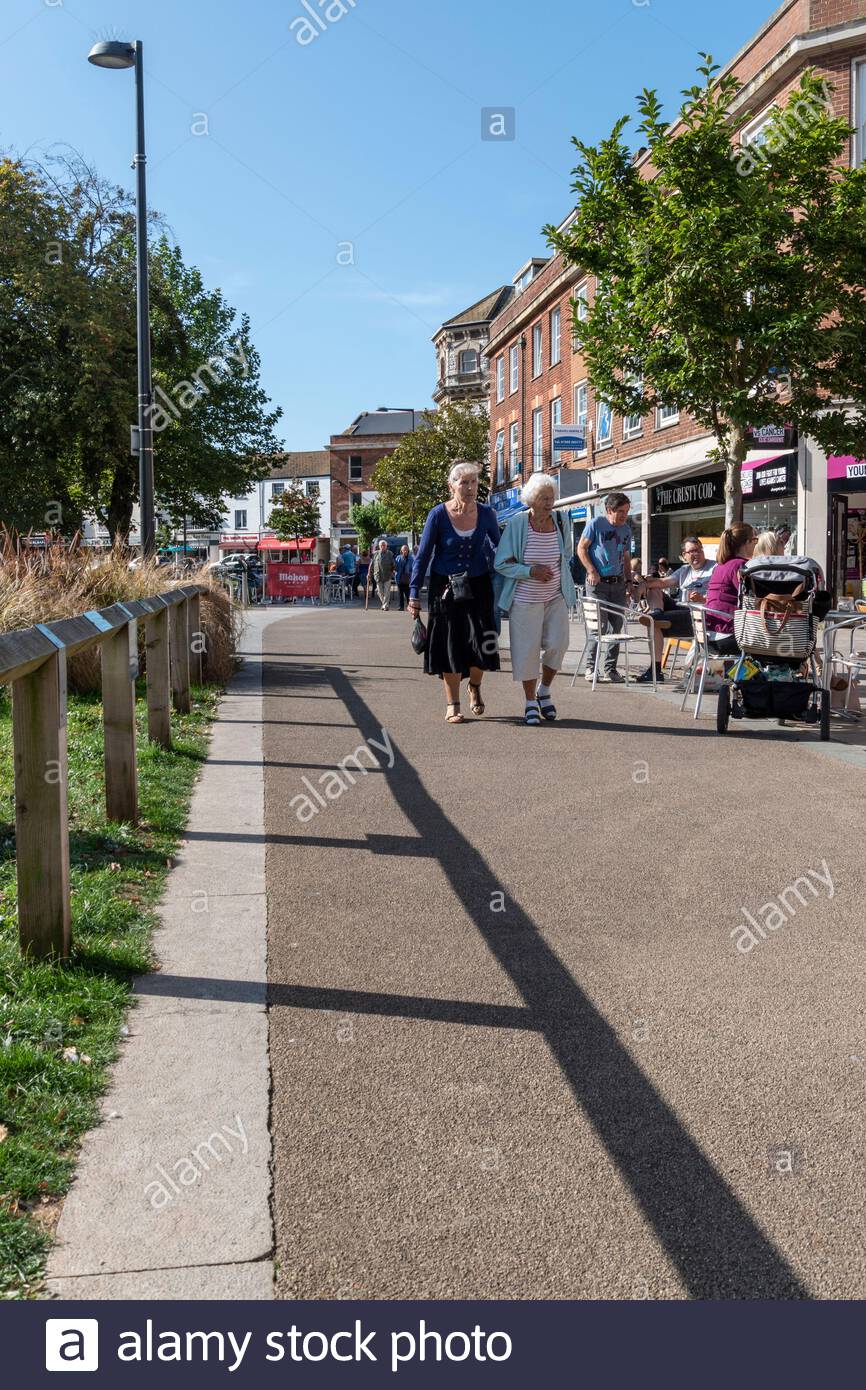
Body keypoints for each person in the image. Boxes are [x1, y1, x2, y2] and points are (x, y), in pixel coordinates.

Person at [408, 461, 501, 724]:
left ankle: (474, 686)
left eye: (474, 482)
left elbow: (501, 547)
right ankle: (453, 704)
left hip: (479, 586)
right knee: (450, 644)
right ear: (451, 486)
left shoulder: (487, 514)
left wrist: (518, 569)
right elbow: (423, 556)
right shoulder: (437, 515)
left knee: (483, 643)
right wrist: (414, 593)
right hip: (445, 588)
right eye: (464, 482)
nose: (470, 487)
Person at [494, 475, 577, 724]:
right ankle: (530, 702)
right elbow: (500, 563)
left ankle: (545, 690)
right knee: (527, 651)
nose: (549, 502)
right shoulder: (518, 523)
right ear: (531, 500)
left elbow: (567, 555)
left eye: (551, 497)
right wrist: (530, 571)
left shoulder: (561, 520)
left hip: (555, 596)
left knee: (558, 644)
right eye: (543, 498)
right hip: (525, 599)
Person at [636, 536, 716, 683]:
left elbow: (719, 598)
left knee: (651, 623)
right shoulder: (684, 570)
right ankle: (657, 614)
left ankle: (655, 671)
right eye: (690, 552)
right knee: (654, 589)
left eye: (697, 550)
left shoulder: (714, 568)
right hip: (680, 608)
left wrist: (703, 599)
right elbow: (663, 582)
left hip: (697, 615)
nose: (695, 554)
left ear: (702, 551)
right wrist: (644, 583)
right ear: (684, 556)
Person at [577, 493, 634, 683]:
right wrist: (591, 570)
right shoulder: (595, 524)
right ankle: (591, 668)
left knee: (616, 626)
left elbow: (626, 557)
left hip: (617, 584)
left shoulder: (626, 529)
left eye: (626, 511)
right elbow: (581, 549)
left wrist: (629, 581)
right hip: (597, 584)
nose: (624, 515)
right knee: (598, 627)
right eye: (620, 512)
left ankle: (611, 668)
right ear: (609, 510)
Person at [705, 523, 758, 653]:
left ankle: (736, 673)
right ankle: (754, 673)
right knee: (770, 638)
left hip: (709, 634)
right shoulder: (740, 565)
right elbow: (751, 597)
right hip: (727, 634)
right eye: (755, 540)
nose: (756, 544)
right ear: (747, 542)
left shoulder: (721, 566)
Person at [371, 540, 395, 610]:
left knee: (387, 592)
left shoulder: (390, 553)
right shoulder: (375, 554)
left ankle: (385, 606)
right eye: (381, 545)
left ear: (386, 546)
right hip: (378, 575)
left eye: (384, 545)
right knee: (379, 591)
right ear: (379, 546)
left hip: (387, 575)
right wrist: (369, 573)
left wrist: (393, 571)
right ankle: (384, 604)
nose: (382, 547)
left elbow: (393, 564)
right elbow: (371, 564)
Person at [395, 544, 413, 611]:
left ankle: (409, 606)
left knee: (408, 594)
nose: (405, 551)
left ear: (408, 550)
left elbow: (412, 568)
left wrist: (411, 575)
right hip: (399, 577)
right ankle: (401, 606)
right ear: (401, 550)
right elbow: (395, 567)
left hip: (407, 578)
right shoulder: (398, 557)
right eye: (403, 549)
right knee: (400, 594)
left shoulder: (411, 558)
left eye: (406, 549)